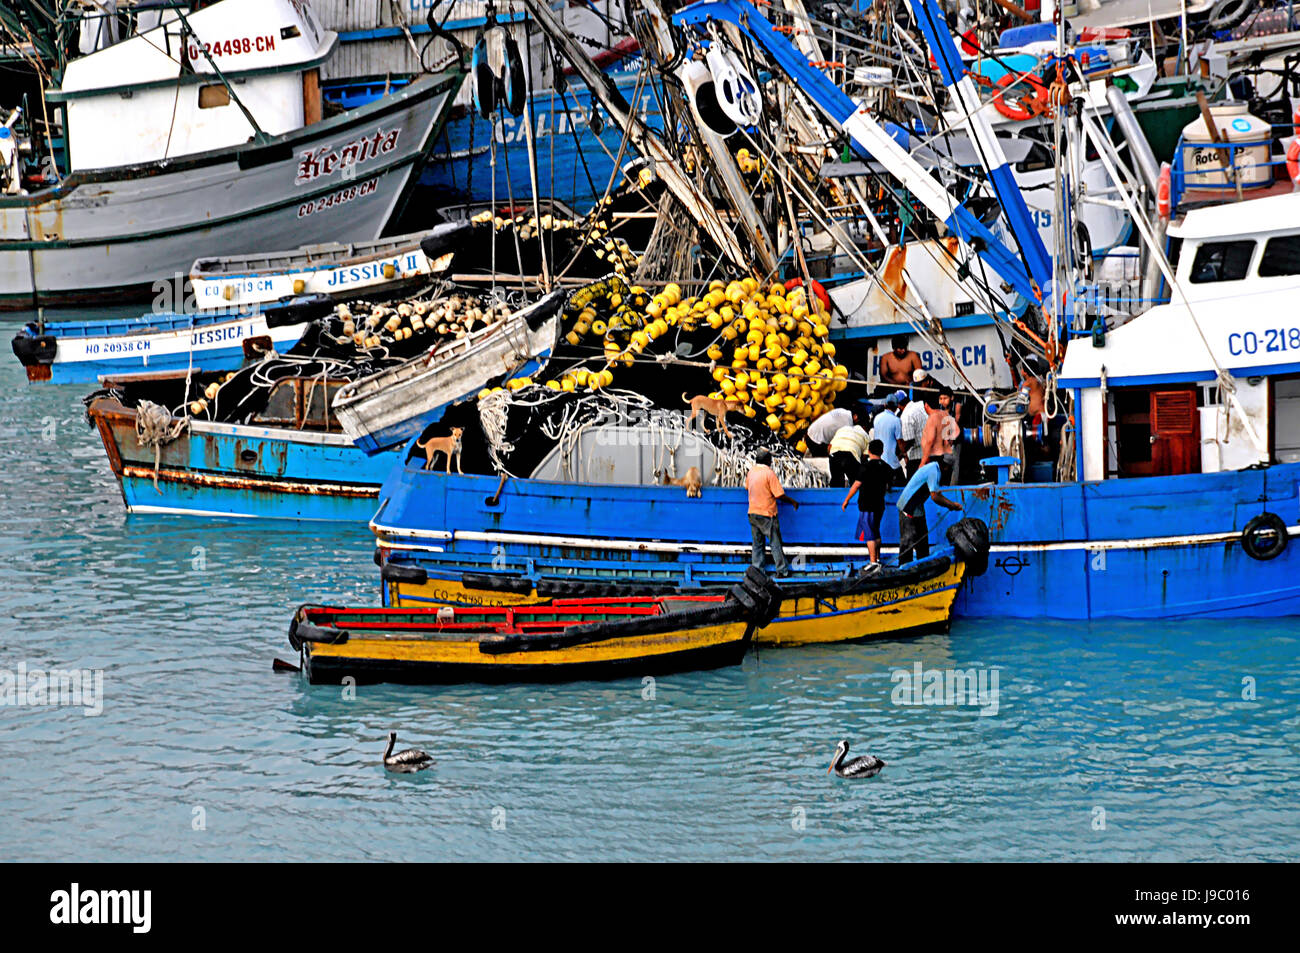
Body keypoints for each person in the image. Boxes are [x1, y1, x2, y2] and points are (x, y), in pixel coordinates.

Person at [896, 454, 963, 565]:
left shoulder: (933, 468)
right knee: (908, 542)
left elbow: (936, 493)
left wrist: (950, 504)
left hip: (917, 508)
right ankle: (903, 568)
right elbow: (935, 496)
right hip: (908, 507)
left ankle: (923, 564)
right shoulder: (934, 471)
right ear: (946, 467)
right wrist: (952, 505)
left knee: (922, 540)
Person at [746, 449, 799, 576]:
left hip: (753, 512)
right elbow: (779, 494)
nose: (771, 461)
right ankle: (782, 571)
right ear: (766, 460)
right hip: (767, 514)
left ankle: (757, 571)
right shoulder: (769, 473)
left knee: (757, 545)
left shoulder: (751, 472)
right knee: (775, 543)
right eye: (770, 459)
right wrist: (793, 502)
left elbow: (747, 487)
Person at [841, 439, 893, 565]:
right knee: (876, 531)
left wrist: (846, 500)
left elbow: (856, 485)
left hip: (866, 505)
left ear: (868, 451)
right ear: (882, 451)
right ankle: (878, 558)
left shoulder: (865, 467)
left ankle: (873, 562)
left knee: (869, 534)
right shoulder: (887, 467)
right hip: (879, 505)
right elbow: (888, 487)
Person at [871, 392, 907, 485]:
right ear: (896, 407)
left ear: (885, 405)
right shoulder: (896, 420)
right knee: (902, 485)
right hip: (892, 463)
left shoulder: (877, 418)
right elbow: (900, 442)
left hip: (879, 459)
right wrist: (905, 454)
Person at [826, 410, 868, 487]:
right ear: (864, 427)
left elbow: (829, 447)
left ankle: (835, 498)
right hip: (850, 456)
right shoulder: (866, 435)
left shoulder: (843, 429)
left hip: (834, 455)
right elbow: (865, 457)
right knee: (856, 483)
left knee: (836, 481)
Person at [900, 388, 930, 474]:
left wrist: (902, 452)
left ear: (899, 405)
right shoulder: (920, 405)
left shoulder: (906, 415)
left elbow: (910, 440)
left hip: (917, 458)